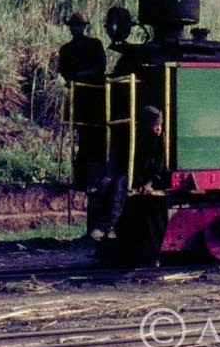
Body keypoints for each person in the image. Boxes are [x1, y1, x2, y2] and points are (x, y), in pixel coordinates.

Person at [91, 105, 166, 241]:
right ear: (147, 124)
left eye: (160, 124)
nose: (159, 128)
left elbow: (159, 164)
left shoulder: (161, 138)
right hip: (132, 172)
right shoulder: (133, 134)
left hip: (146, 176)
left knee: (120, 183)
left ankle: (105, 227)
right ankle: (109, 227)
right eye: (155, 125)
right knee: (107, 187)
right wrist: (109, 175)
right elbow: (116, 153)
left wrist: (149, 183)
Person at [59, 13, 106, 193]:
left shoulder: (95, 44)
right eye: (73, 25)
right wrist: (77, 77)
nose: (75, 28)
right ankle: (83, 179)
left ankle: (92, 179)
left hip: (97, 97)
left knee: (97, 137)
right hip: (80, 99)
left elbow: (100, 68)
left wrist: (79, 75)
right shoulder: (66, 49)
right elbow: (64, 72)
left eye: (78, 25)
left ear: (83, 27)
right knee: (84, 137)